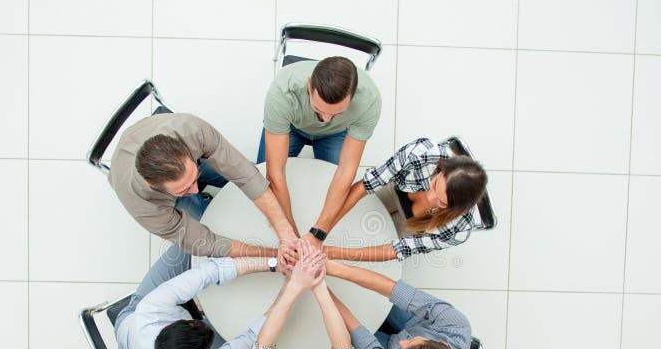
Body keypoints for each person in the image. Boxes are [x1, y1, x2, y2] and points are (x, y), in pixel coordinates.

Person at [109, 112, 296, 257]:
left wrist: (286, 234)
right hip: (138, 182)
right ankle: (192, 194)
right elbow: (205, 242)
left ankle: (189, 180)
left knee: (246, 175)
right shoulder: (143, 204)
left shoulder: (192, 131)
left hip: (150, 132)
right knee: (206, 217)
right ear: (153, 185)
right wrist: (270, 254)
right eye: (185, 189)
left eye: (194, 178)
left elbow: (247, 176)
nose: (196, 188)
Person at [114, 243, 283, 349]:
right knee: (237, 328)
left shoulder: (149, 311)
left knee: (187, 245)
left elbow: (210, 271)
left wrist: (274, 263)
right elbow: (251, 339)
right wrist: (287, 292)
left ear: (168, 325)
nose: (198, 320)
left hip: (128, 324)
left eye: (194, 322)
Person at [258, 56, 381, 250]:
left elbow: (346, 170)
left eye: (335, 113)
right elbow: (275, 172)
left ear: (353, 97)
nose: (325, 119)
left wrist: (318, 233)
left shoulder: (369, 100)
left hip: (336, 133)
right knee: (261, 184)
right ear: (309, 85)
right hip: (291, 126)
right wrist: (291, 236)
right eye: (318, 109)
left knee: (332, 190)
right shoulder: (282, 92)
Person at [325, 259, 471, 349]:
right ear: (443, 343)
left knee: (346, 342)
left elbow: (365, 343)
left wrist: (323, 290)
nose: (401, 343)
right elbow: (396, 291)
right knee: (381, 298)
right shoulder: (457, 326)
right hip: (412, 323)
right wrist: (333, 268)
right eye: (411, 342)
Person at [323, 137, 488, 262]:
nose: (430, 198)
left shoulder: (459, 230)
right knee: (350, 219)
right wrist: (322, 231)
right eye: (435, 185)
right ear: (440, 169)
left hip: (411, 226)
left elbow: (399, 249)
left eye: (442, 202)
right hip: (393, 189)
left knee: (362, 245)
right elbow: (368, 184)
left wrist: (333, 253)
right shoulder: (422, 153)